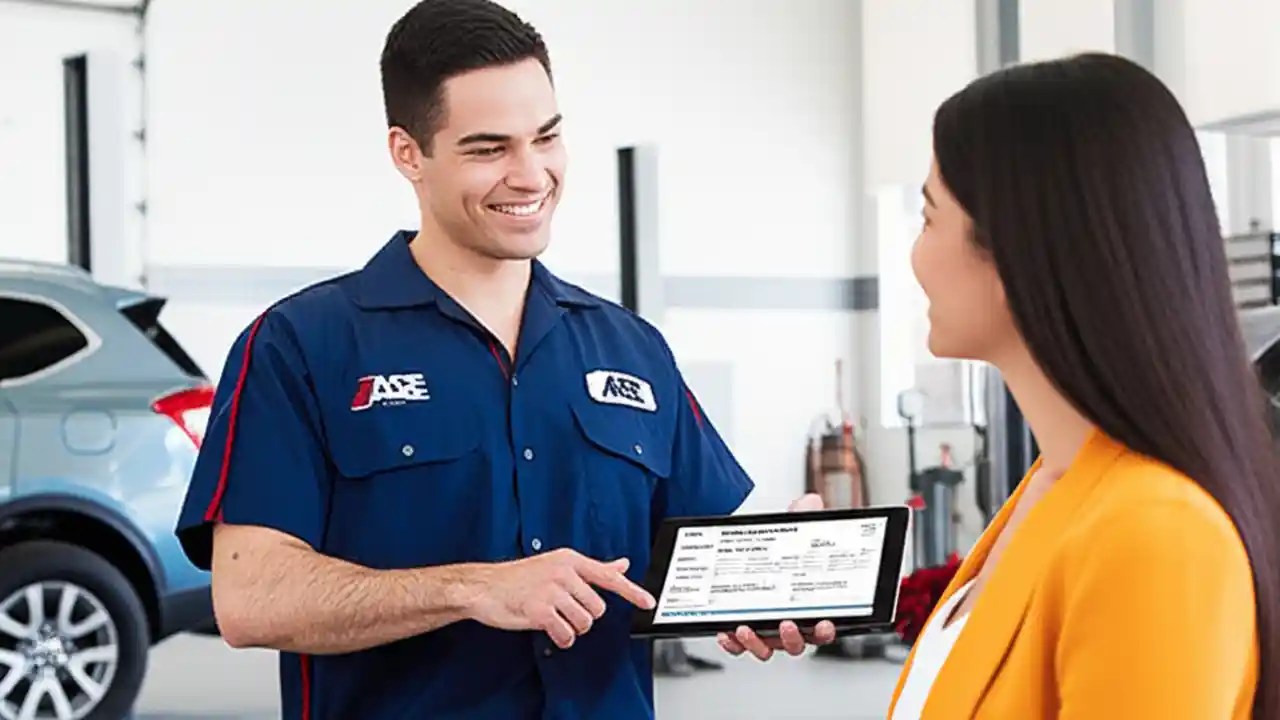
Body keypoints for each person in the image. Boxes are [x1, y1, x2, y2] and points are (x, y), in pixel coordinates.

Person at [174, 1, 831, 718]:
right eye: (489, 149)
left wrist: (773, 577)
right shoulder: (299, 346)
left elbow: (695, 561)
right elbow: (250, 598)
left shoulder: (632, 349)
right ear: (407, 153)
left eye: (546, 137)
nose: (531, 175)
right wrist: (474, 588)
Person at [722, 53, 1280, 719]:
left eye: (928, 217)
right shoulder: (1052, 487)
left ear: (1018, 251)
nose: (914, 255)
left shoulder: (1155, 534)